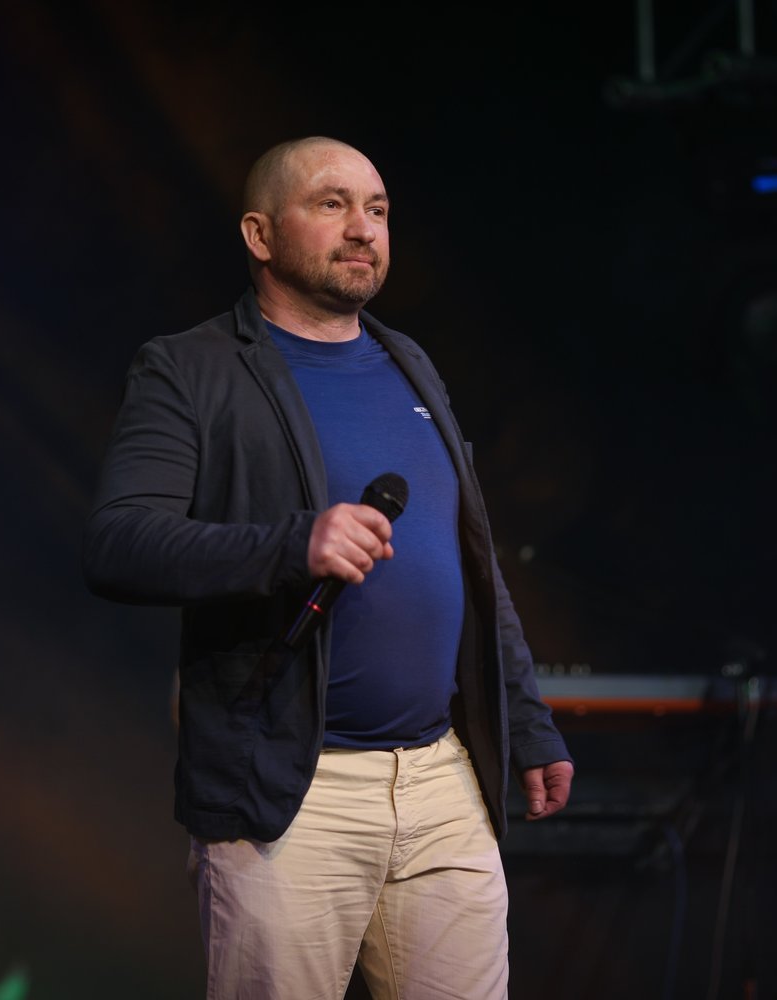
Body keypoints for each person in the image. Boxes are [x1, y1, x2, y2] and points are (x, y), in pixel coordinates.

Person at [82, 135, 574, 1000]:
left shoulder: (409, 362)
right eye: (331, 204)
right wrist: (292, 545)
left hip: (438, 779)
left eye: (377, 210)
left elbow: (472, 564)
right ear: (259, 234)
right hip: (292, 792)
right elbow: (120, 543)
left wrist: (525, 722)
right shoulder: (191, 368)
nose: (363, 228)